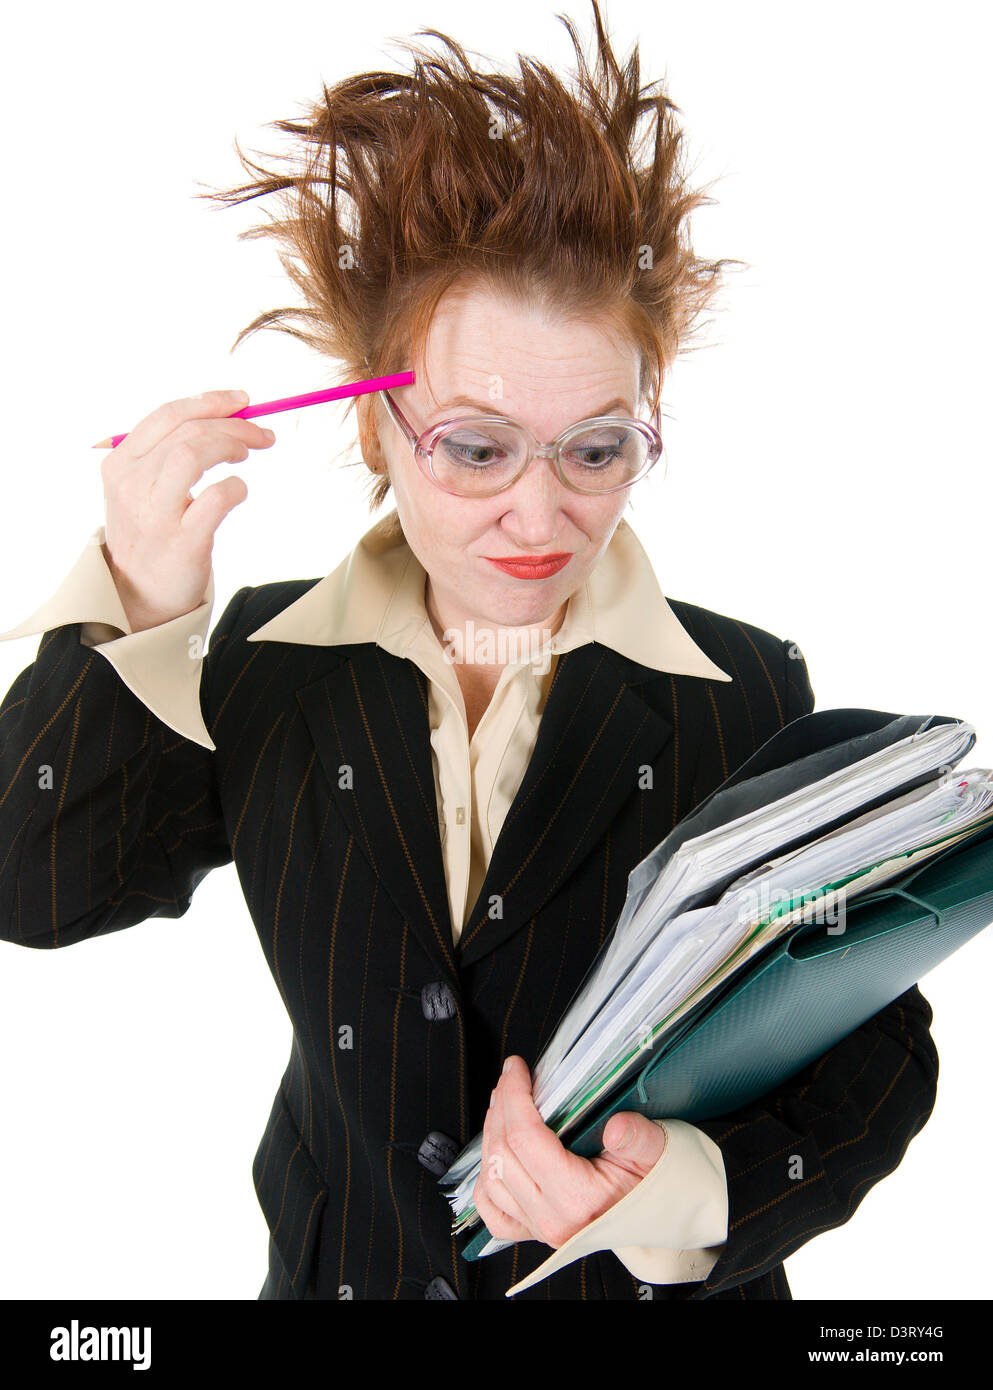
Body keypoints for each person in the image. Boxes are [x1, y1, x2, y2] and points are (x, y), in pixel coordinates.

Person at [0, 3, 937, 1301]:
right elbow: (33, 886)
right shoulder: (263, 662)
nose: (540, 515)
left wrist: (671, 1189)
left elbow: (870, 1047)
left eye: (595, 450)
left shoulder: (744, 688)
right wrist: (142, 604)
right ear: (380, 425)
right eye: (478, 448)